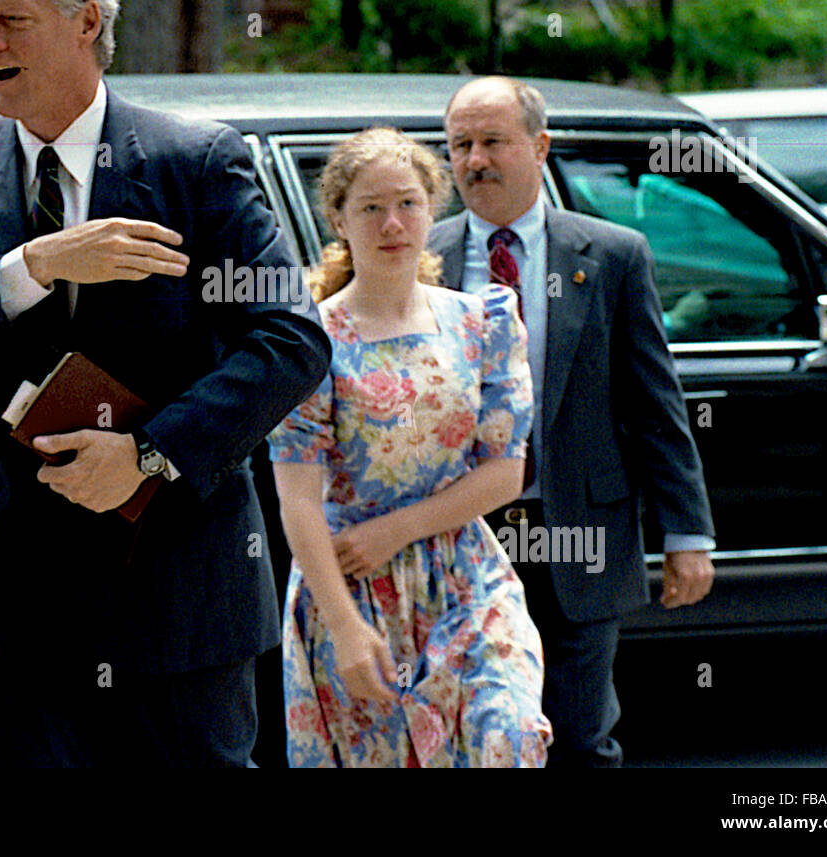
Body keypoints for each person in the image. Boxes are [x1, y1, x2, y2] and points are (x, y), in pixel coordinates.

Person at [0, 0, 330, 767]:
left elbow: (290, 341)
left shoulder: (196, 162)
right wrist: (30, 265)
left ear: (87, 20)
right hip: (5, 605)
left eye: (12, 20)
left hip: (174, 599)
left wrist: (149, 453)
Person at [429, 75, 716, 768]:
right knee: (467, 735)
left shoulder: (611, 254)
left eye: (493, 141)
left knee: (580, 736)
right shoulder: (423, 255)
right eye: (460, 145)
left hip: (578, 535)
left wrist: (686, 532)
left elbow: (655, 404)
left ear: (540, 146)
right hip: (458, 537)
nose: (474, 161)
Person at [270, 127, 552, 768]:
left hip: (467, 578)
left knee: (507, 739)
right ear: (339, 218)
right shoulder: (311, 341)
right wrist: (343, 626)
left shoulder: (483, 323)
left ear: (432, 210)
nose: (392, 223)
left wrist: (399, 529)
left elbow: (506, 473)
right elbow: (298, 501)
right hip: (350, 588)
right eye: (371, 208)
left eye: (407, 203)